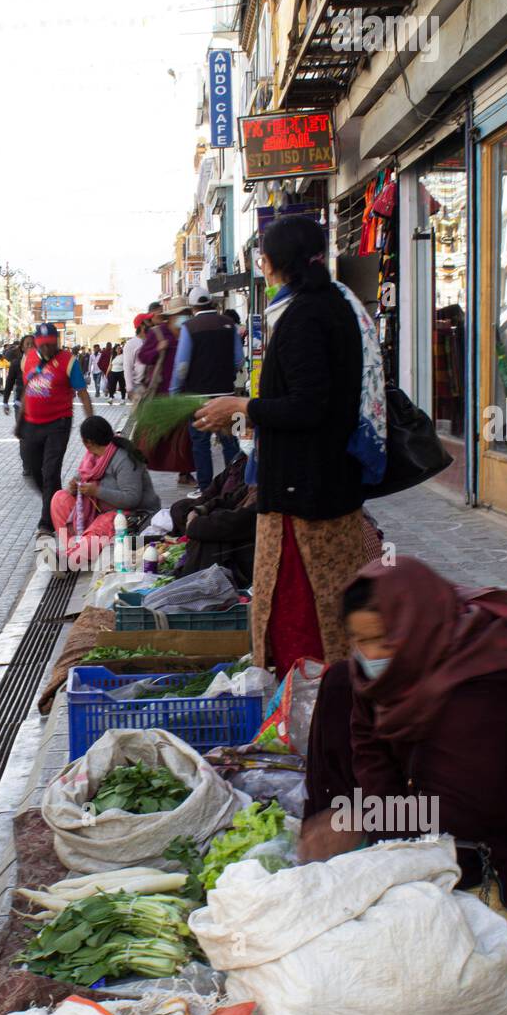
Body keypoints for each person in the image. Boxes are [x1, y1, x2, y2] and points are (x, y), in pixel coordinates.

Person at [193, 214, 367, 676]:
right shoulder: (332, 304)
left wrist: (244, 406)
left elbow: (308, 406)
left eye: (264, 256)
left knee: (300, 615)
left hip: (304, 497)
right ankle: (324, 704)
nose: (261, 264)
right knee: (327, 608)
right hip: (323, 484)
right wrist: (243, 415)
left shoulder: (305, 316)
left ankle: (310, 709)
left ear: (274, 262)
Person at [298, 557, 507, 911]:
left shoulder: (480, 692)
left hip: (499, 829)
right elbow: (369, 750)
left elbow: (462, 812)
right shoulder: (383, 670)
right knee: (340, 679)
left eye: (382, 640)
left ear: (415, 626)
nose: (370, 653)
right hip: (435, 808)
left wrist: (362, 818)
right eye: (361, 640)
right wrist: (378, 816)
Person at [50, 416, 160, 562]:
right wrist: (74, 487)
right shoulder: (92, 456)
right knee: (60, 498)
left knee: (106, 522)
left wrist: (96, 491)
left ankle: (72, 558)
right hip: (100, 513)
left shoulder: (123, 459)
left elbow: (132, 499)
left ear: (87, 442)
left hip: (135, 516)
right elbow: (80, 477)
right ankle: (73, 547)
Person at [19, 322, 93, 537]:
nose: (46, 349)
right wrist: (19, 421)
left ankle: (46, 524)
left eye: (50, 344)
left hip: (58, 423)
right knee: (33, 471)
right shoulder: (27, 359)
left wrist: (91, 424)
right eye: (42, 345)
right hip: (31, 423)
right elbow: (27, 390)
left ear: (57, 341)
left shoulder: (69, 361)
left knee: (51, 471)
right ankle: (57, 502)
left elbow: (82, 392)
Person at [171, 286, 244, 497]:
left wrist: (175, 391)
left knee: (200, 444)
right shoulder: (229, 324)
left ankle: (205, 488)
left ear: (192, 307)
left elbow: (182, 365)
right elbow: (239, 359)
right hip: (227, 394)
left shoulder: (189, 327)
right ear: (211, 302)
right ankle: (235, 484)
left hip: (197, 397)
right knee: (231, 440)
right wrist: (225, 373)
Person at [168, 449, 257, 586]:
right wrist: (199, 509)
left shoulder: (268, 482)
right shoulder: (240, 461)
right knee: (182, 509)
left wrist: (197, 523)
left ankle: (198, 585)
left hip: (246, 548)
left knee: (207, 534)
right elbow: (227, 496)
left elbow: (241, 520)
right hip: (230, 520)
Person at [134, 295, 196, 486]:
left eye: (186, 313)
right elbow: (143, 357)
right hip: (161, 392)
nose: (183, 317)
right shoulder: (158, 333)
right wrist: (157, 349)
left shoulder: (191, 331)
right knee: (153, 435)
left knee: (184, 437)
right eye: (180, 314)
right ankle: (137, 469)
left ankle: (185, 473)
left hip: (186, 391)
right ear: (171, 316)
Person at [123, 315, 150, 399]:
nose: (151, 324)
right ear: (142, 326)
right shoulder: (131, 344)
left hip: (151, 384)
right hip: (139, 387)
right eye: (148, 322)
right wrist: (130, 389)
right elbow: (127, 367)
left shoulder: (151, 341)